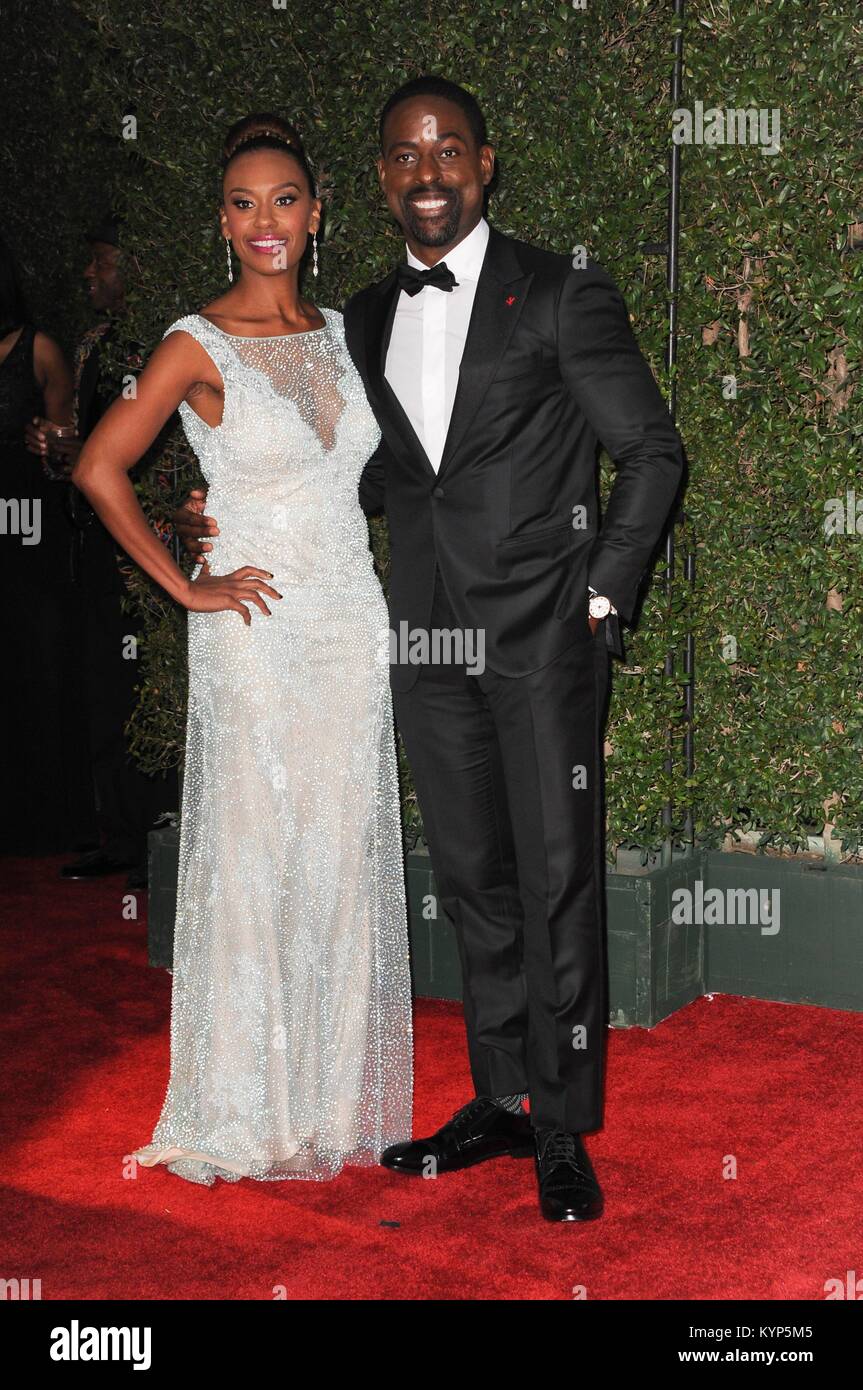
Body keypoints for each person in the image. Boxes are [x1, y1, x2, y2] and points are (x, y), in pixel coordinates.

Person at [175, 78, 685, 1220]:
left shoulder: (559, 292)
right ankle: (500, 1097)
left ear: (485, 163)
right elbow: (331, 463)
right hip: (416, 637)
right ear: (379, 181)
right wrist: (220, 519)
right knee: (471, 880)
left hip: (542, 640)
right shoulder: (358, 315)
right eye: (405, 156)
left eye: (448, 150)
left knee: (555, 878)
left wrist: (600, 596)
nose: (429, 172)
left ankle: (561, 1125)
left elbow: (650, 449)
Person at [72, 115, 413, 1185]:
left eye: (283, 200)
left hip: (350, 622)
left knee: (341, 850)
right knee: (257, 854)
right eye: (240, 202)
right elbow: (97, 466)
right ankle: (245, 1105)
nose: (263, 221)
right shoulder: (193, 340)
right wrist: (186, 584)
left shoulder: (348, 333)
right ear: (221, 220)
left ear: (316, 214)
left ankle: (323, 1100)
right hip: (254, 632)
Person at [26, 215, 174, 887]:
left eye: (101, 263)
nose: (89, 275)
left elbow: (162, 451)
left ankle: (156, 842)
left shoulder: (162, 344)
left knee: (141, 685)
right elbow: (84, 449)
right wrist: (56, 450)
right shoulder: (89, 344)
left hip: (142, 549)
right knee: (100, 689)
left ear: (134, 267)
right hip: (90, 544)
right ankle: (116, 837)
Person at [0, 234, 91, 853]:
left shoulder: (40, 349)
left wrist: (55, 443)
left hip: (26, 523)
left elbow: (74, 447)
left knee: (33, 658)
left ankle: (43, 820)